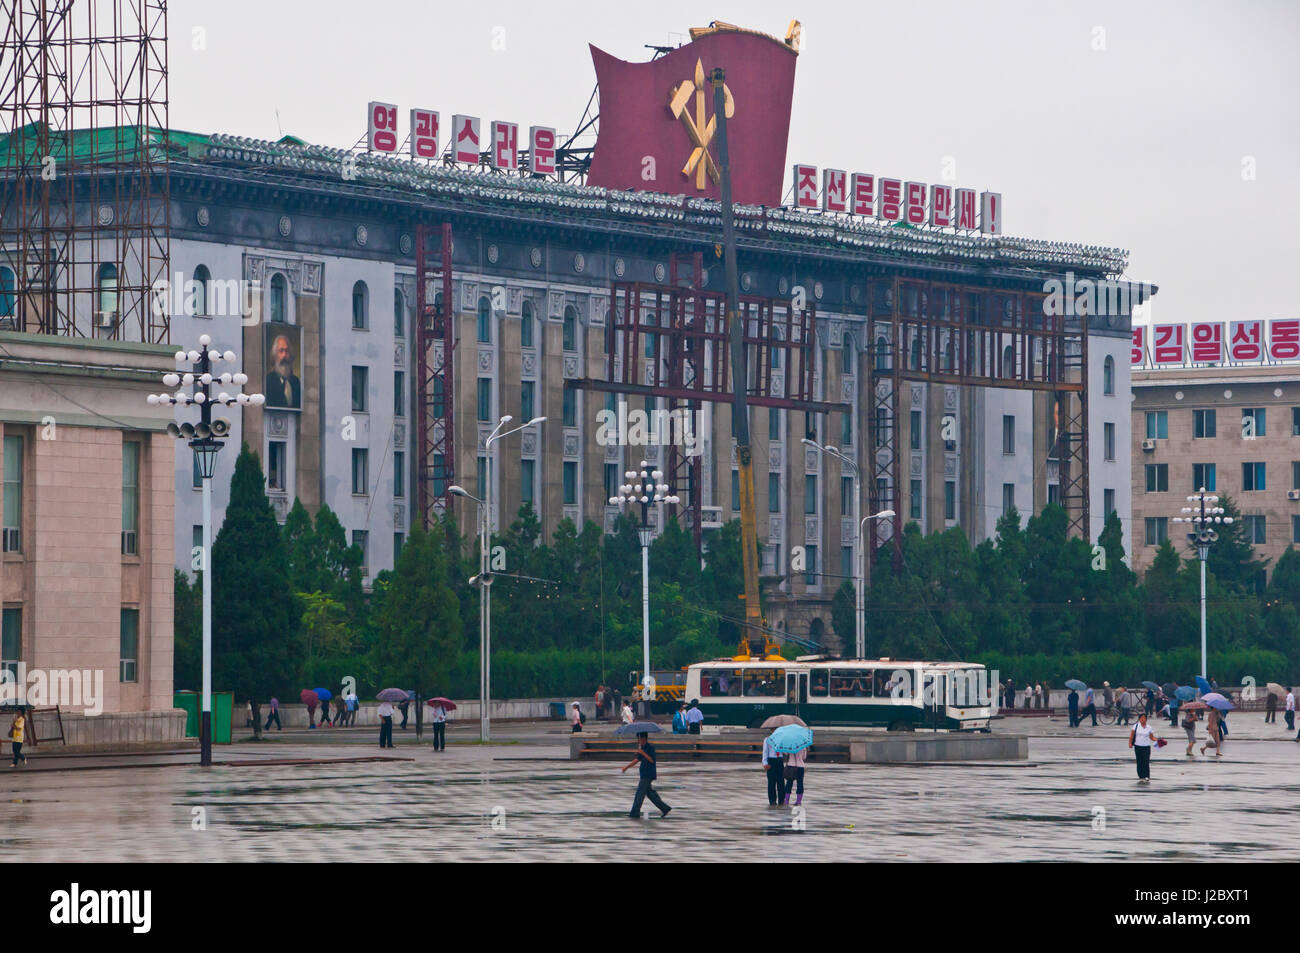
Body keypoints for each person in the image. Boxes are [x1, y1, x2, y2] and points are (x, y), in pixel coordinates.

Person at [622, 732, 670, 818]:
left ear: (643, 739)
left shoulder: (650, 748)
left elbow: (652, 760)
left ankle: (634, 813)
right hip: (644, 773)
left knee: (639, 794)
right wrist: (626, 767)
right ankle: (665, 808)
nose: (638, 741)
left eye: (639, 739)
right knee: (650, 794)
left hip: (648, 774)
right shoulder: (643, 748)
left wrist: (643, 753)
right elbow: (637, 760)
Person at [264, 333, 301, 408]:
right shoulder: (268, 381)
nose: (284, 355)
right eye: (281, 351)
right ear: (275, 354)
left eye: (287, 351)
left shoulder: (296, 382)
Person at [1129, 713, 1160, 783]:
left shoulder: (1149, 727)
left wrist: (1158, 740)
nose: (1143, 719)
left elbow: (1152, 737)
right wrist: (1130, 743)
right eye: (1141, 718)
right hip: (1138, 746)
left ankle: (1147, 776)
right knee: (1139, 762)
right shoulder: (1136, 726)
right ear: (1139, 719)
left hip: (1146, 747)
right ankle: (1141, 776)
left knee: (1146, 762)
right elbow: (1131, 736)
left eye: (1144, 718)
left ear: (1146, 719)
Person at [761, 733, 785, 806]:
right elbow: (765, 751)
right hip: (771, 760)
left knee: (781, 782)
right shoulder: (767, 739)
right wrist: (765, 763)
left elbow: (785, 752)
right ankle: (772, 801)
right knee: (771, 782)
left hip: (779, 760)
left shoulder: (782, 739)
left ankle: (782, 800)